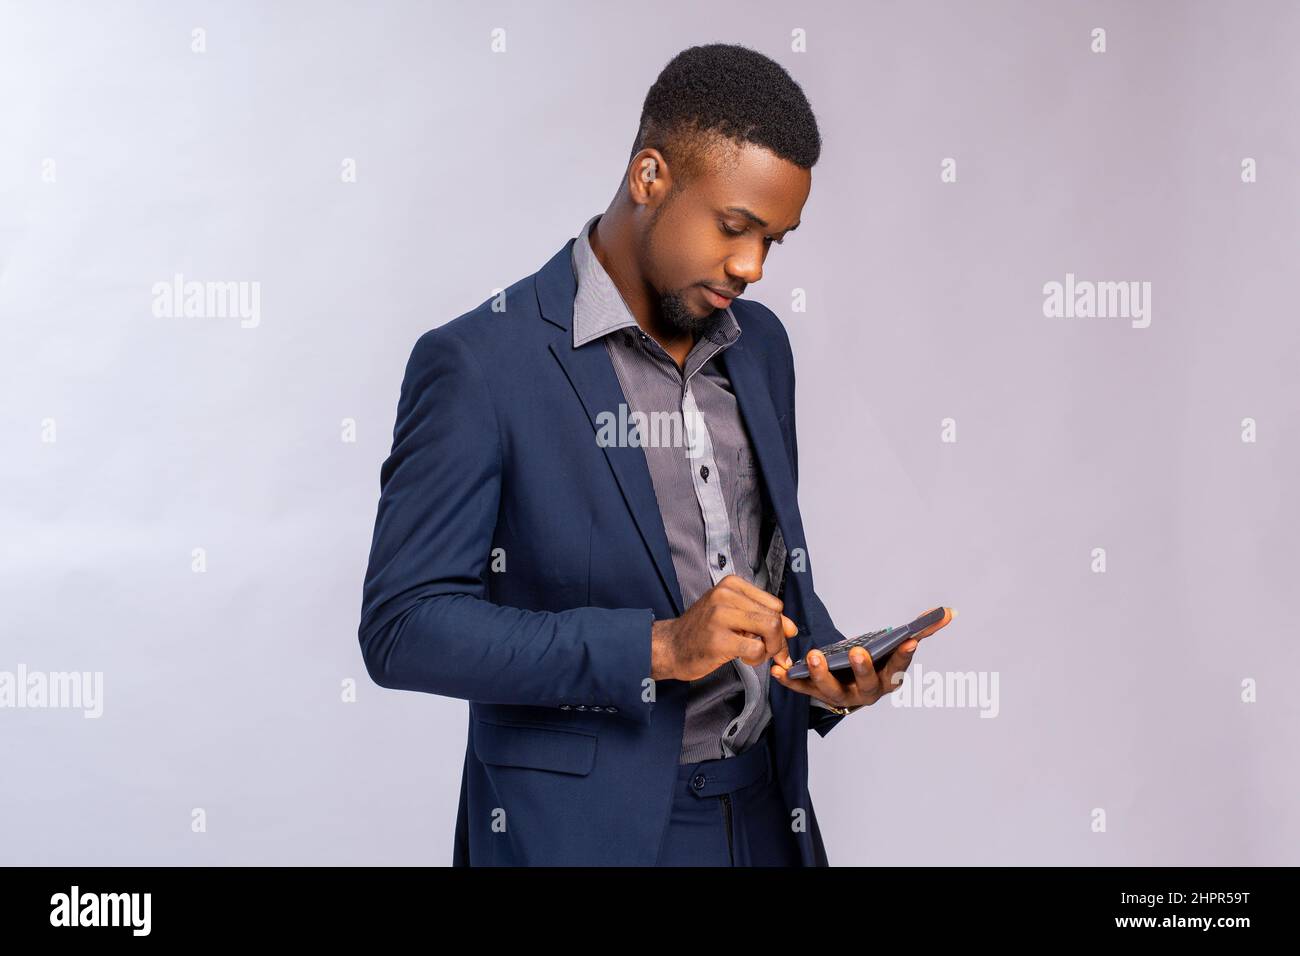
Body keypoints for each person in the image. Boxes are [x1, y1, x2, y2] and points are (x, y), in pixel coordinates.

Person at [357, 42, 924, 866]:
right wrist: (656, 648)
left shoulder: (759, 347)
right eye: (735, 227)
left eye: (776, 240)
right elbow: (403, 628)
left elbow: (759, 572)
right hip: (583, 837)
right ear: (650, 177)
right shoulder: (481, 364)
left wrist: (825, 666)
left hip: (768, 817)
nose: (752, 266)